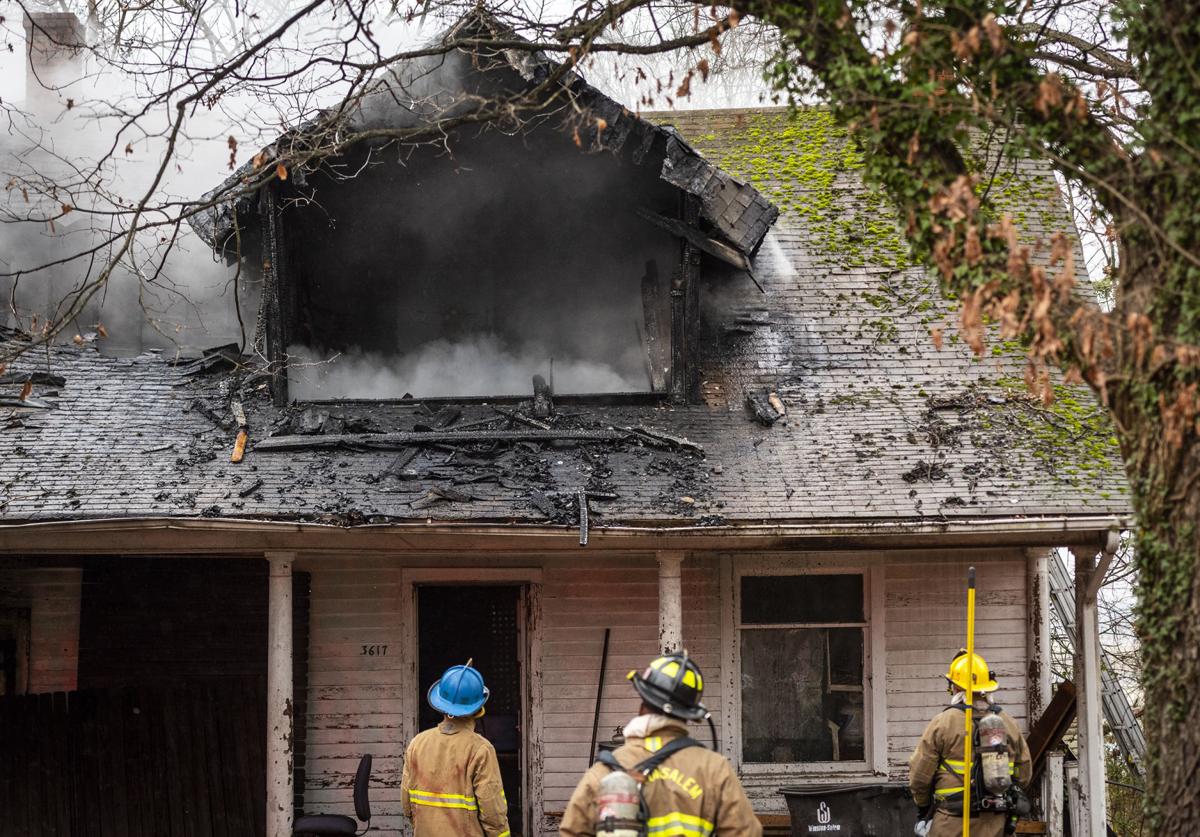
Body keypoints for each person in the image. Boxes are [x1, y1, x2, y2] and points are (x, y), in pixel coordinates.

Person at [560, 652, 762, 837]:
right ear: (688, 714)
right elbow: (746, 833)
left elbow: (572, 831)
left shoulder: (605, 770)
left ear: (642, 705)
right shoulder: (714, 769)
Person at [909, 651, 1033, 837]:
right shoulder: (1008, 723)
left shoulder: (943, 723)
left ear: (955, 687)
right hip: (996, 823)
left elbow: (920, 776)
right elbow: (1024, 774)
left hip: (951, 823)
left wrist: (923, 807)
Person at [400, 662, 510, 837]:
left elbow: (407, 804)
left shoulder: (417, 743)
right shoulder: (481, 749)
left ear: (440, 702)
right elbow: (492, 811)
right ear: (478, 708)